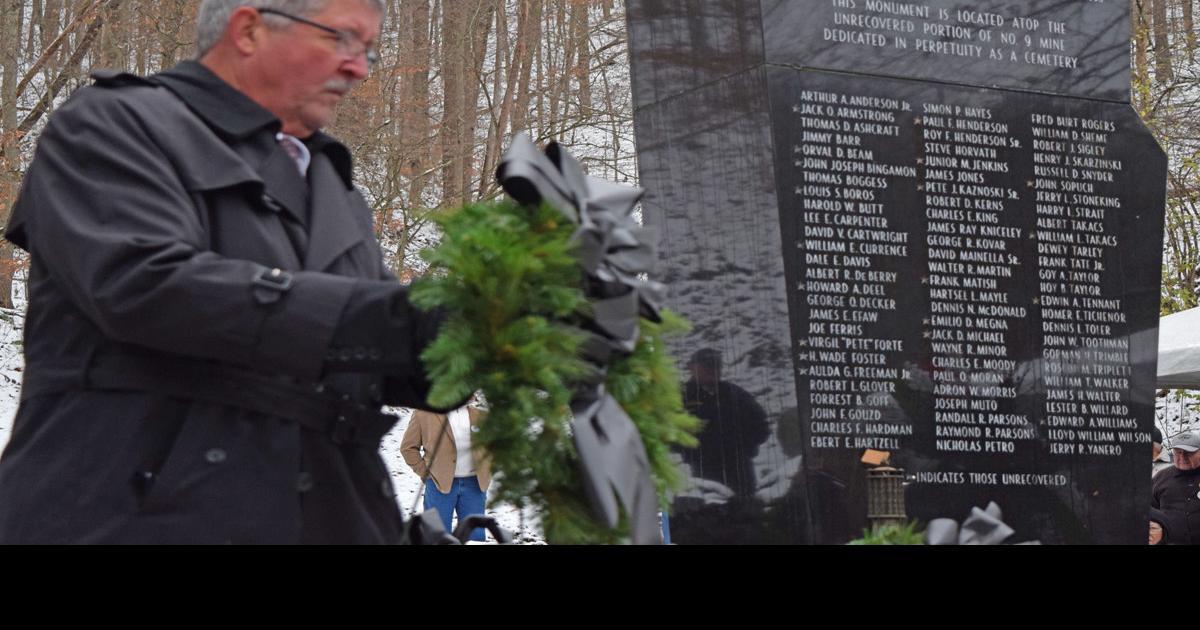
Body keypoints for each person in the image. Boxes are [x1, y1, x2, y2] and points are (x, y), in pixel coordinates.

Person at [0, 0, 462, 544]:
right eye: (343, 40)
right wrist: (384, 320)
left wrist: (493, 327)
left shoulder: (330, 182)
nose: (359, 68)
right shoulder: (113, 125)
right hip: (131, 515)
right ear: (248, 30)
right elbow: (144, 286)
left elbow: (386, 352)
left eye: (369, 50)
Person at [400, 405, 492, 541]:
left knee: (475, 538)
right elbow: (408, 448)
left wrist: (488, 468)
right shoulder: (423, 414)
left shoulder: (480, 414)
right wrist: (426, 473)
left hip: (475, 486)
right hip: (439, 485)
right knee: (436, 537)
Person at [1151, 430, 1200, 545]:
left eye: (1189, 452)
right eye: (1178, 452)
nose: (1182, 457)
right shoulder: (1161, 478)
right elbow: (1150, 512)